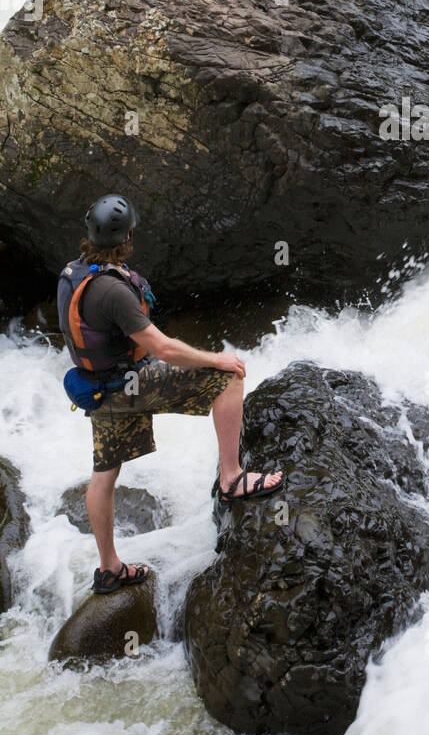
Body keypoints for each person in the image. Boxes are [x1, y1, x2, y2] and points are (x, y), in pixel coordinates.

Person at [58, 194, 283, 595]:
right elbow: (163, 349)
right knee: (227, 377)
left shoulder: (73, 273)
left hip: (97, 390)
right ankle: (232, 478)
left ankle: (109, 568)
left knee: (104, 474)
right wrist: (216, 357)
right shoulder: (112, 291)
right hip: (129, 386)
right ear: (125, 238)